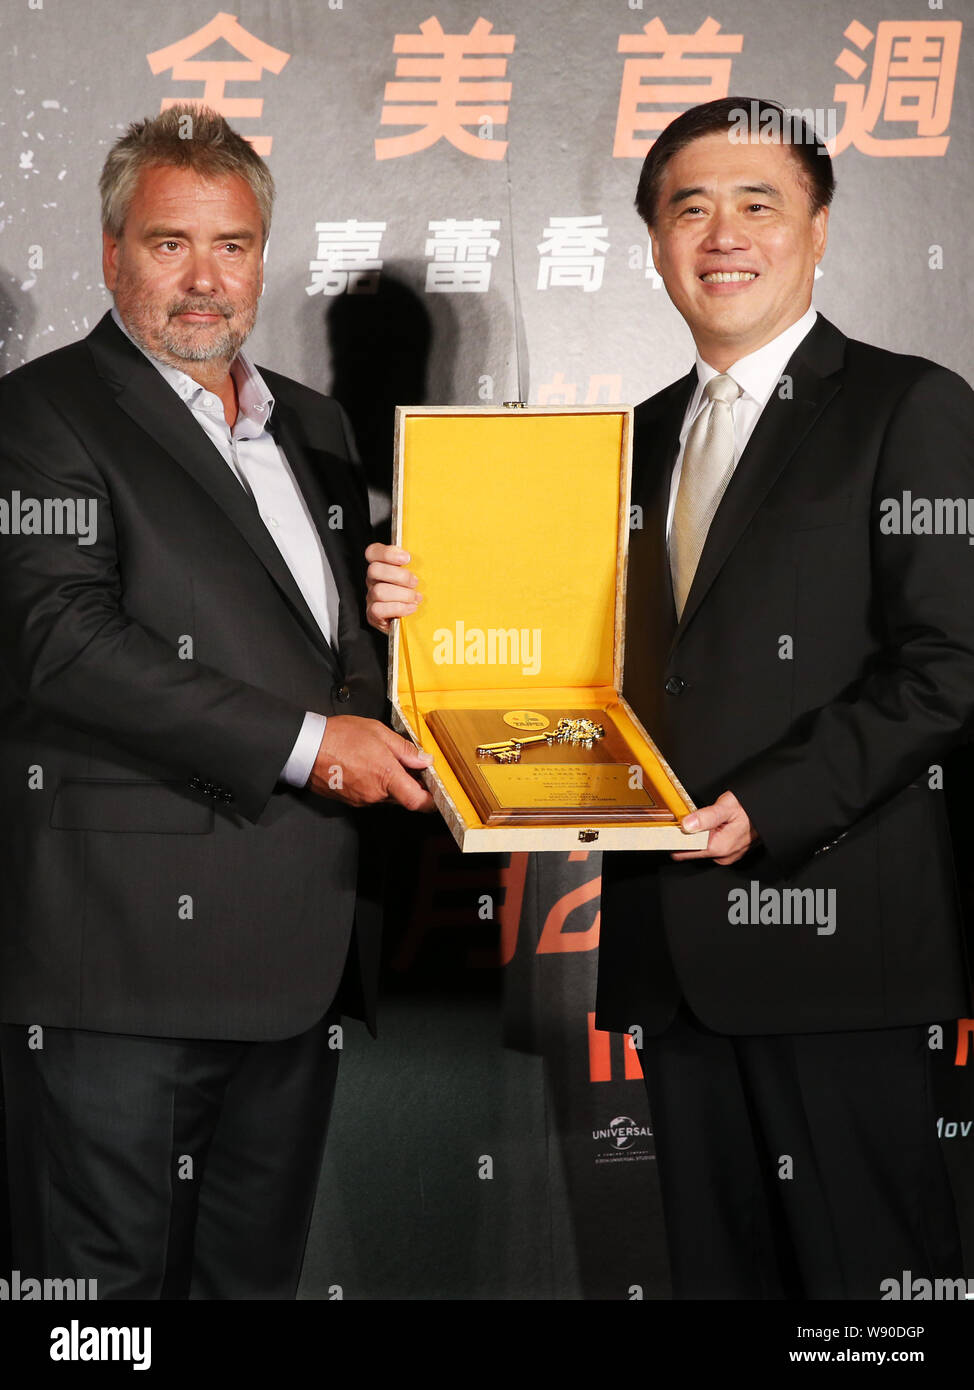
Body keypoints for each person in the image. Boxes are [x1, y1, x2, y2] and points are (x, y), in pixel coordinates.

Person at [365, 96, 974, 1299]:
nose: (721, 234)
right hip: (668, 949)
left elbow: (947, 663)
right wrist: (424, 616)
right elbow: (560, 665)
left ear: (818, 228)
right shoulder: (620, 445)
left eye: (757, 203)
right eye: (687, 207)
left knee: (866, 1300)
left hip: (836, 944)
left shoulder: (908, 407)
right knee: (717, 1276)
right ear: (650, 242)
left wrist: (772, 803)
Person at [0, 105, 433, 1300]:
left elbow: (332, 648)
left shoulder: (318, 423)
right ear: (108, 251)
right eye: (168, 243)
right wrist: (311, 743)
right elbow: (62, 642)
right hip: (117, 964)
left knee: (250, 1285)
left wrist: (405, 642)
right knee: (98, 1307)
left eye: (232, 245)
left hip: (295, 950)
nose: (204, 279)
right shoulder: (39, 418)